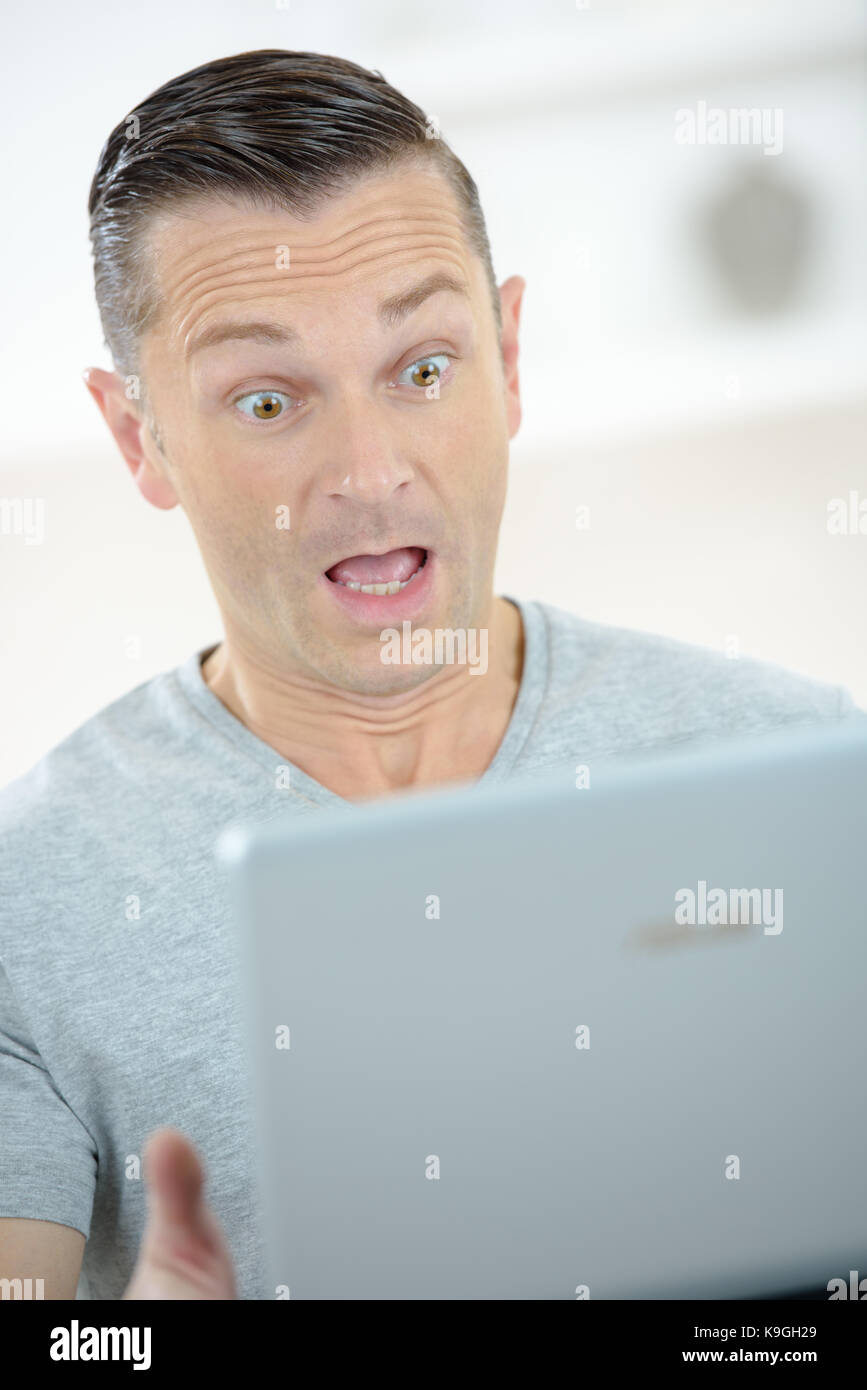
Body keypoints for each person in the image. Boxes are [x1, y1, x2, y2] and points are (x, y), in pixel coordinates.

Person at [0, 50, 859, 1301]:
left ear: (508, 358)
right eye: (265, 400)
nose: (368, 468)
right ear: (142, 438)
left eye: (422, 369)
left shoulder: (806, 771)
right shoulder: (28, 904)